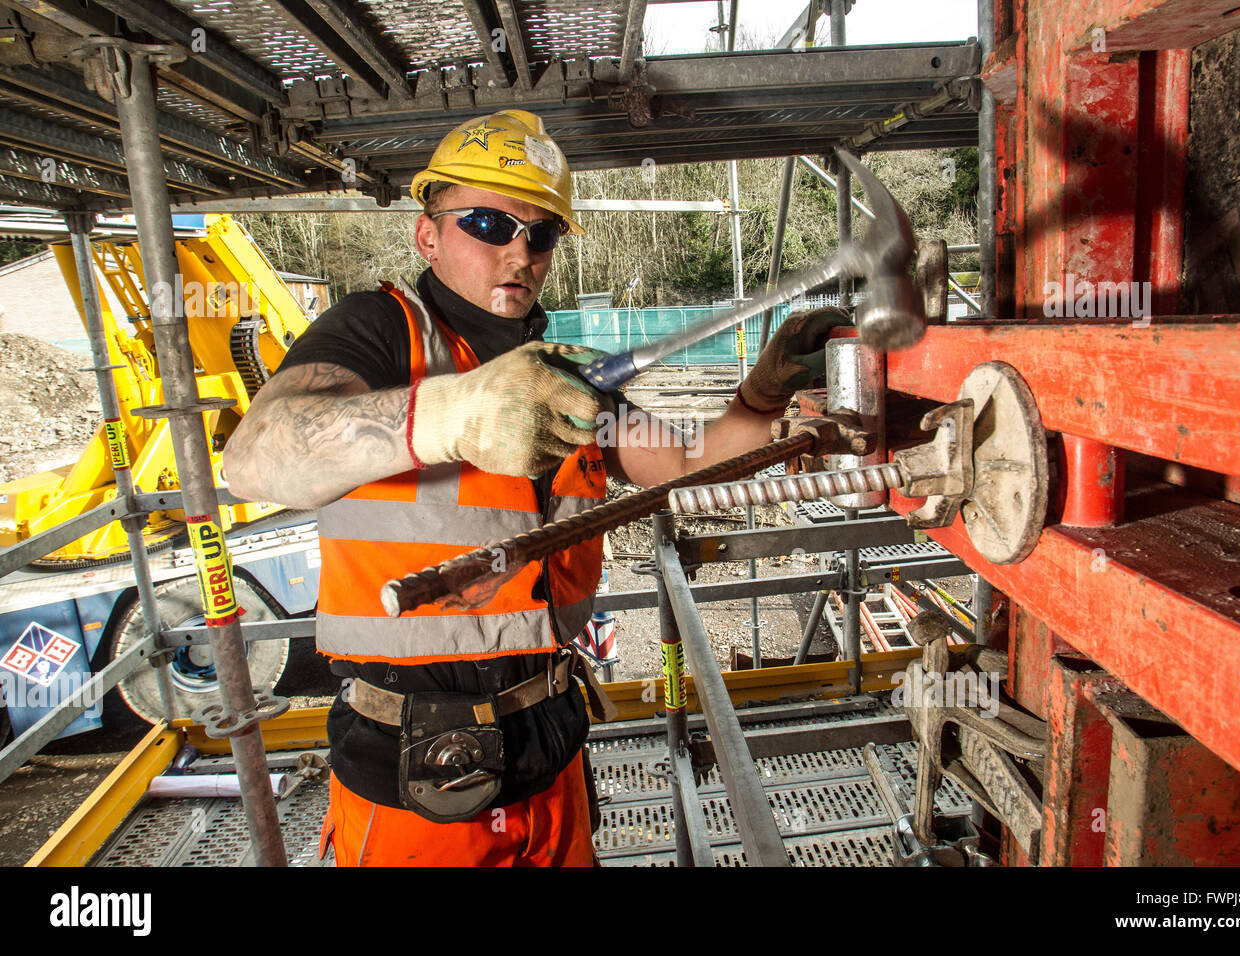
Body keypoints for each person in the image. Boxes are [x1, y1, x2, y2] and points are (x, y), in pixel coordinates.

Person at [223, 108, 852, 866]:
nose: (519, 250)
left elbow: (687, 467)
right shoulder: (381, 332)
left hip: (547, 744)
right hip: (414, 770)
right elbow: (255, 460)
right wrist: (453, 411)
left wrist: (760, 397)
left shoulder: (567, 377)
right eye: (487, 222)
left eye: (541, 232)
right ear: (428, 234)